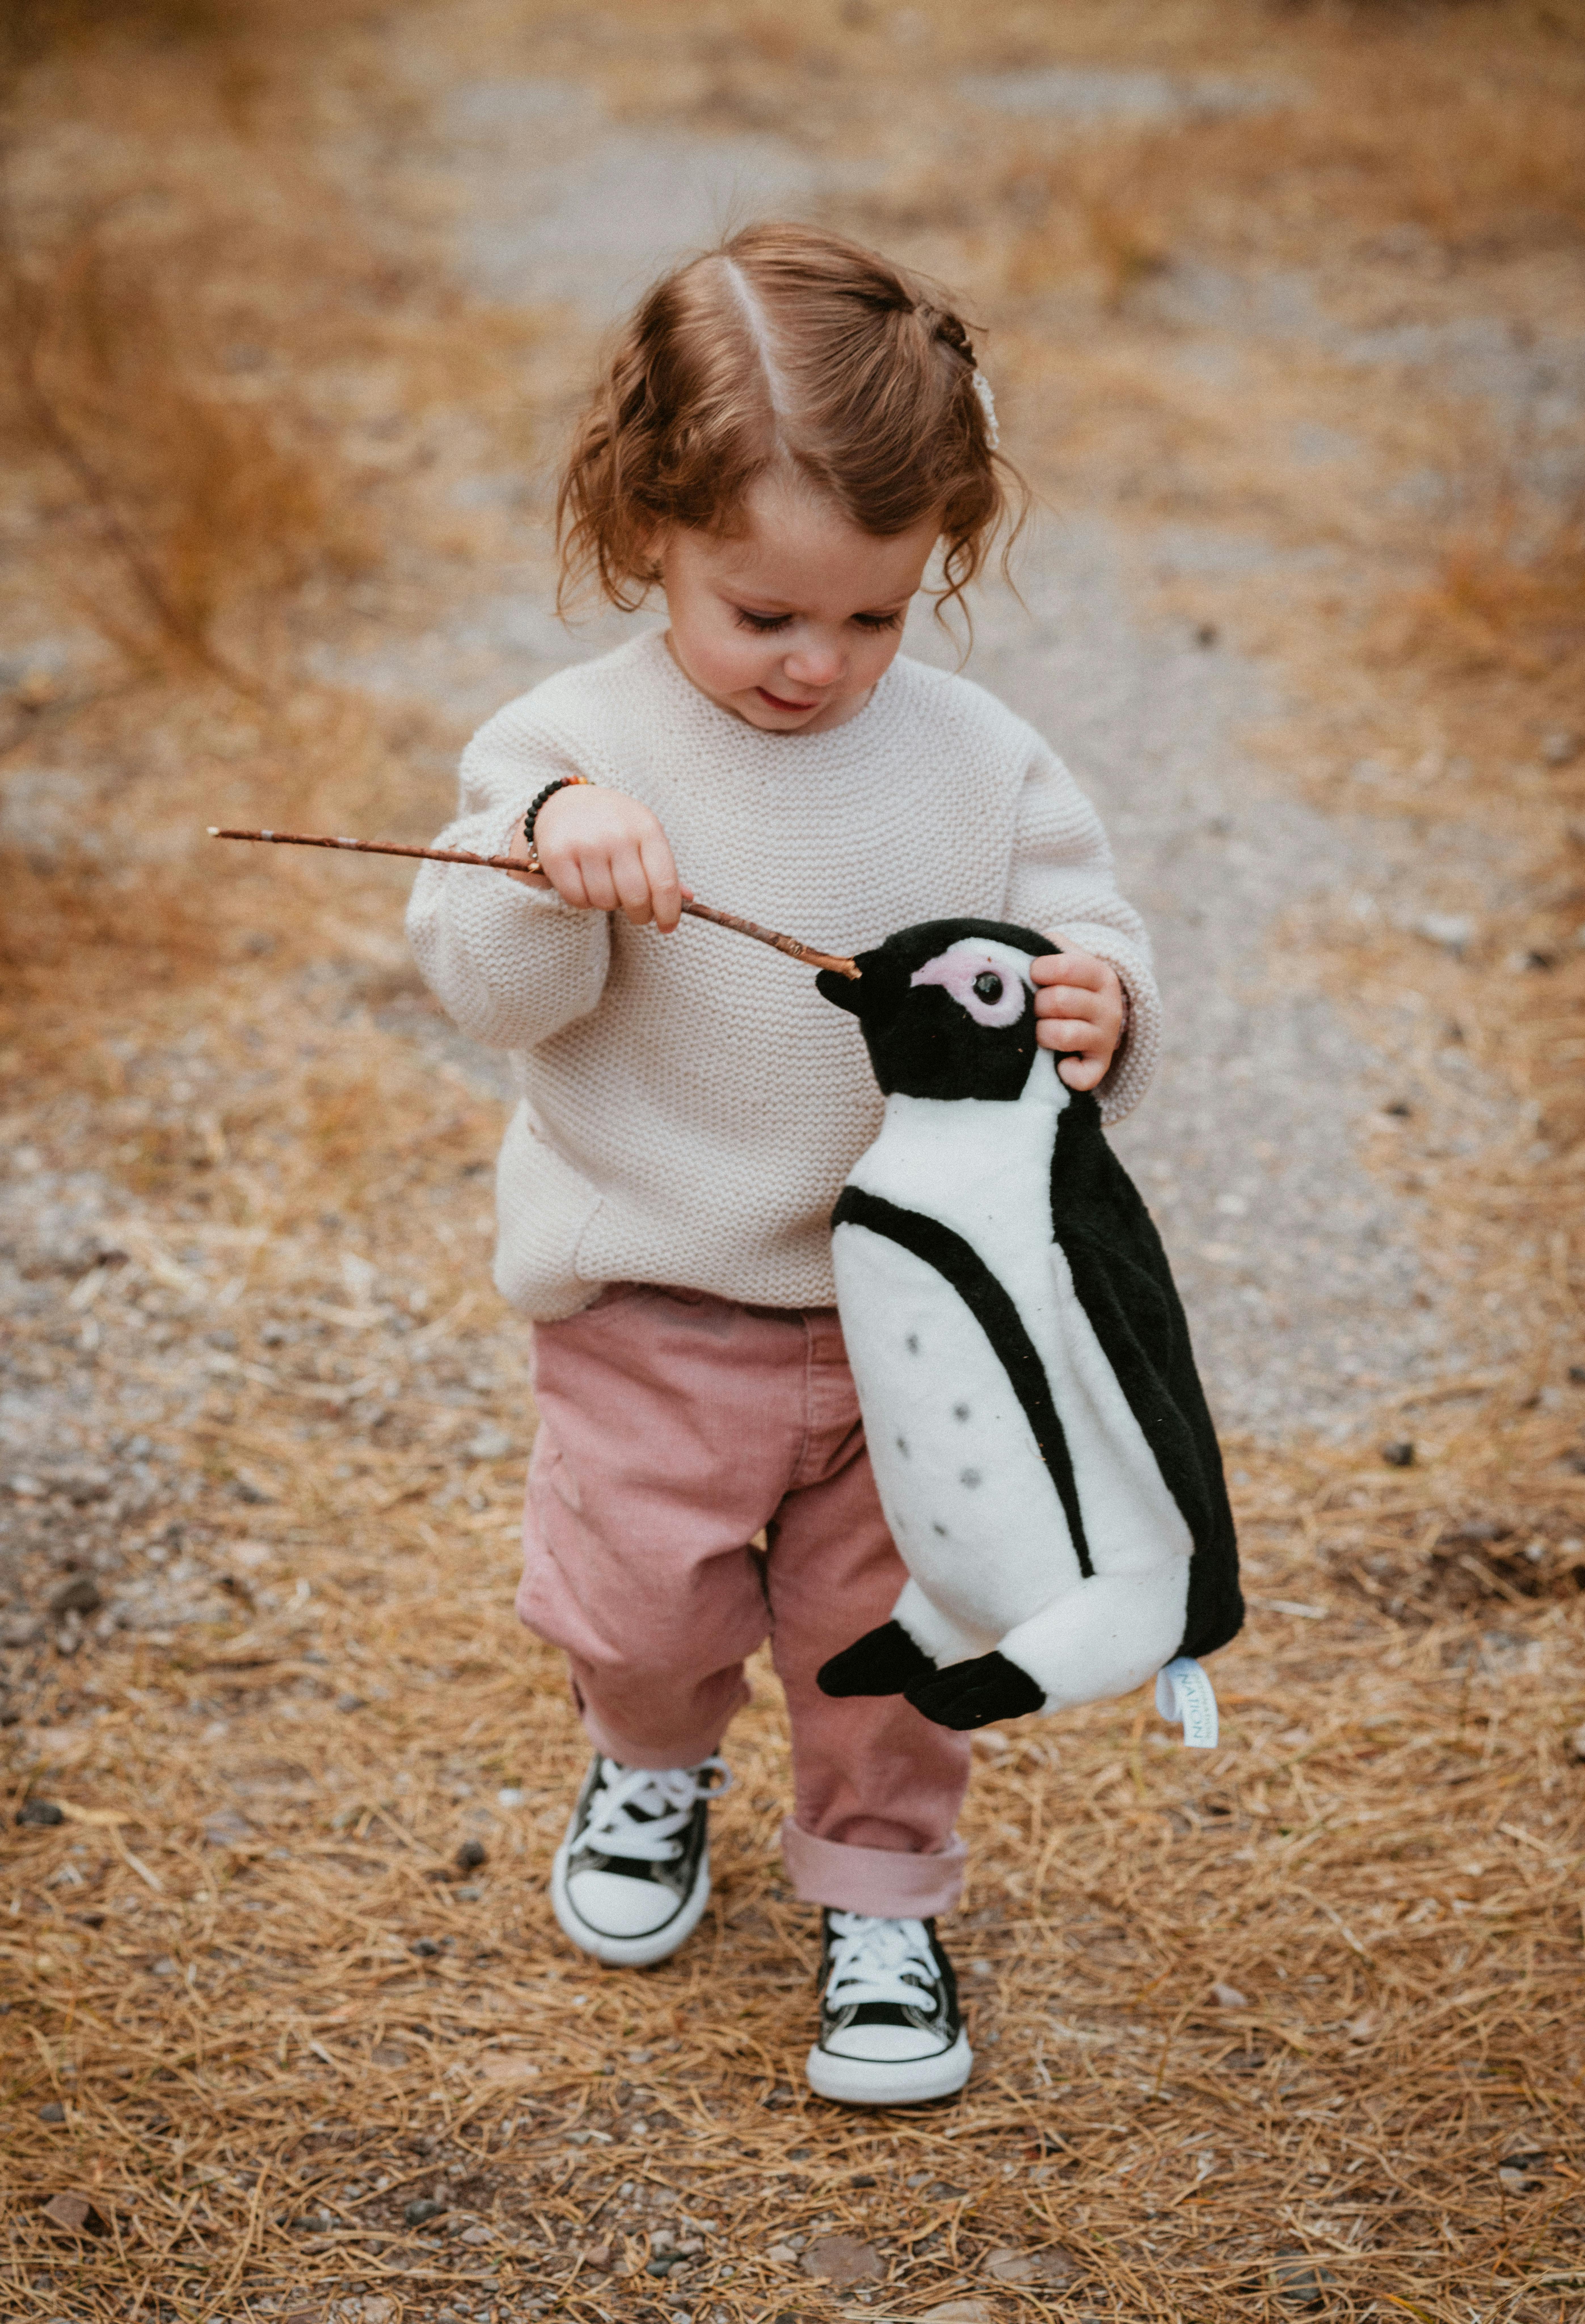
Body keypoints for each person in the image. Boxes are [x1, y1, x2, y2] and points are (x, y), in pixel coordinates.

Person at [407, 222, 1160, 2108]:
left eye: (875, 617)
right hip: (655, 1304)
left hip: (915, 1321)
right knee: (642, 1610)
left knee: (884, 1638)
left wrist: (1104, 1014)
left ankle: (882, 1890)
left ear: (933, 572)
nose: (818, 664)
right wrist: (549, 849)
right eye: (763, 615)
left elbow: (1087, 935)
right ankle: (650, 1766)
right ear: (642, 528)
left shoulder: (981, 764)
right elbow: (485, 989)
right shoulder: (568, 747)